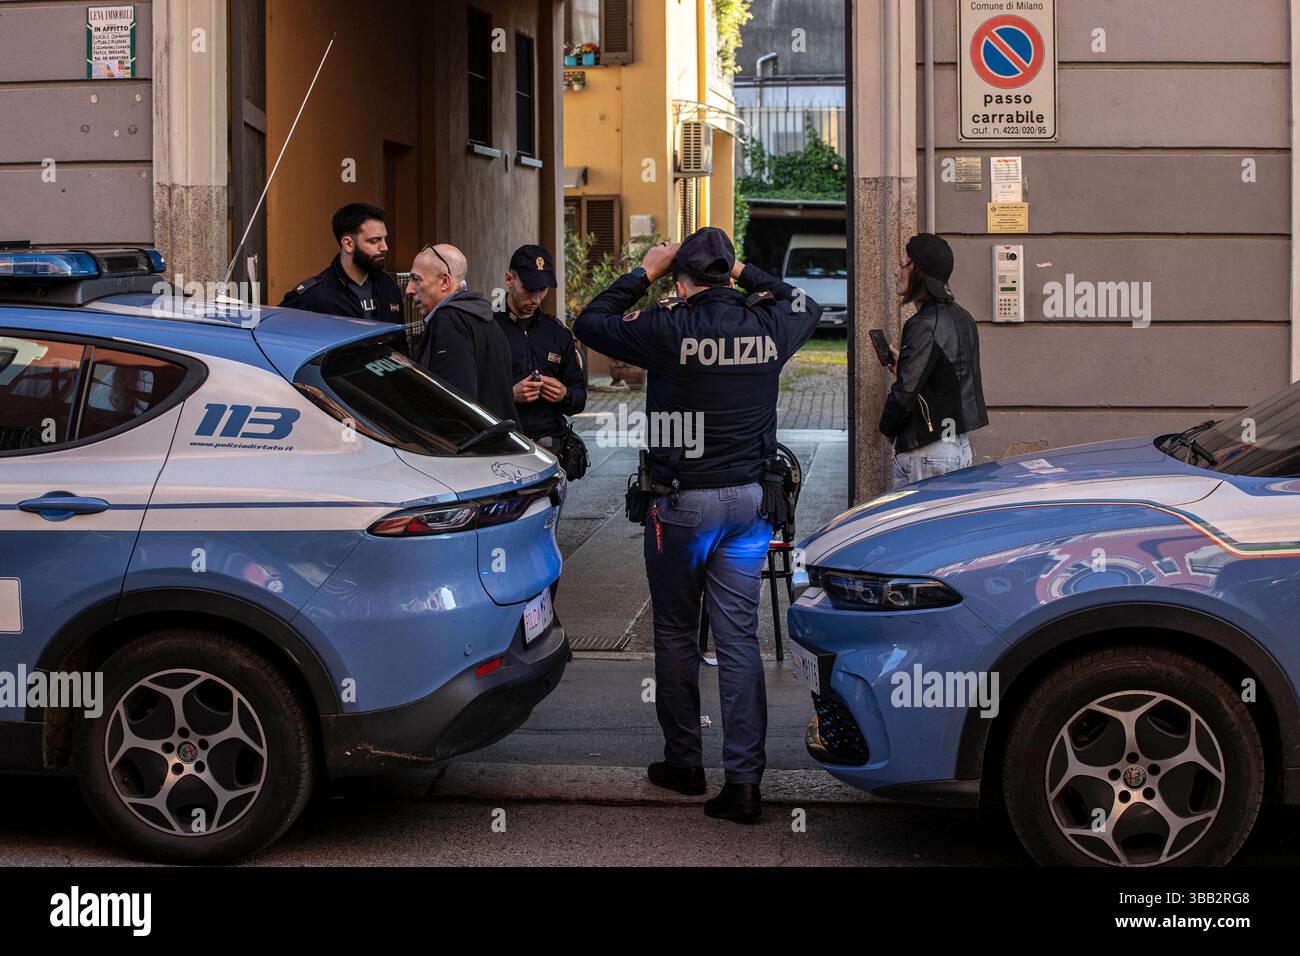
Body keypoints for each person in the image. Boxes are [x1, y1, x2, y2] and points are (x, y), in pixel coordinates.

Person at [574, 227, 821, 824]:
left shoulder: (668, 327)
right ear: (728, 273)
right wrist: (743, 273)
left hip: (682, 508)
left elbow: (590, 322)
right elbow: (805, 303)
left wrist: (644, 271)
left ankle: (684, 763)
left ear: (680, 279)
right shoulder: (768, 325)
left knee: (679, 635)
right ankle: (743, 785)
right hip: (748, 506)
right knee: (739, 644)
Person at [880, 233, 988, 488]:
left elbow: (905, 392)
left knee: (914, 527)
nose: (896, 271)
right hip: (956, 445)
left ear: (918, 270)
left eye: (902, 264)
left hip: (927, 451)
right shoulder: (963, 317)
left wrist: (887, 429)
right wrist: (905, 367)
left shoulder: (922, 324)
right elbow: (948, 379)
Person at [407, 243, 516, 421]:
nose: (409, 289)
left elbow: (454, 407)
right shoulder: (481, 316)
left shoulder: (449, 321)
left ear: (445, 281)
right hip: (498, 443)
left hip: (473, 446)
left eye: (416, 279)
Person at [495, 244, 587, 451]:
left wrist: (564, 394)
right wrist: (509, 396)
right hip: (503, 445)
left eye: (542, 290)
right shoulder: (487, 329)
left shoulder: (558, 333)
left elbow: (579, 397)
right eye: (528, 289)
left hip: (551, 446)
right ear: (509, 279)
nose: (535, 299)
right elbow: (467, 396)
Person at [280, 203, 404, 323]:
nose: (384, 247)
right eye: (374, 241)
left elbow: (399, 342)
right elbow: (273, 329)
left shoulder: (388, 286)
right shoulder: (315, 294)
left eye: (384, 239)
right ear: (348, 244)